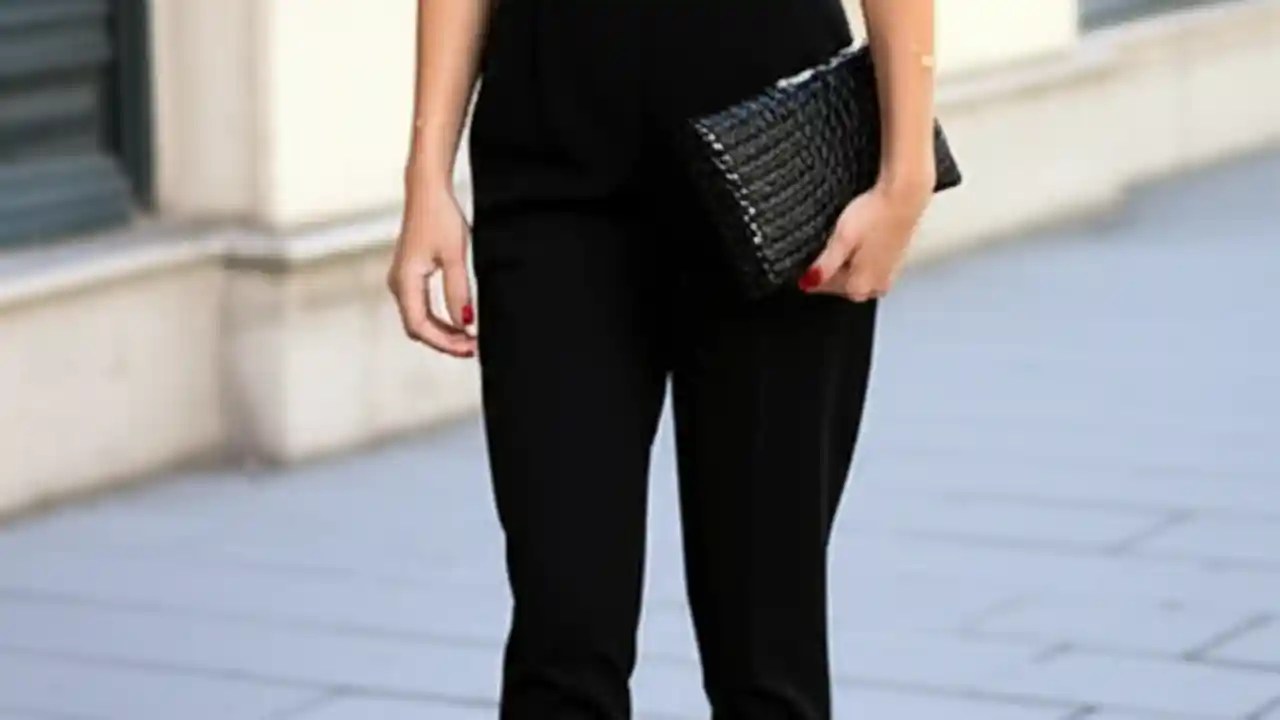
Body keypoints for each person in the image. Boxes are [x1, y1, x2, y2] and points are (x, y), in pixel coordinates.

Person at [388, 0, 939, 716]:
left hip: (773, 150)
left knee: (767, 655)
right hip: (553, 174)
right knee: (561, 645)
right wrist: (425, 176)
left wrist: (906, 173)